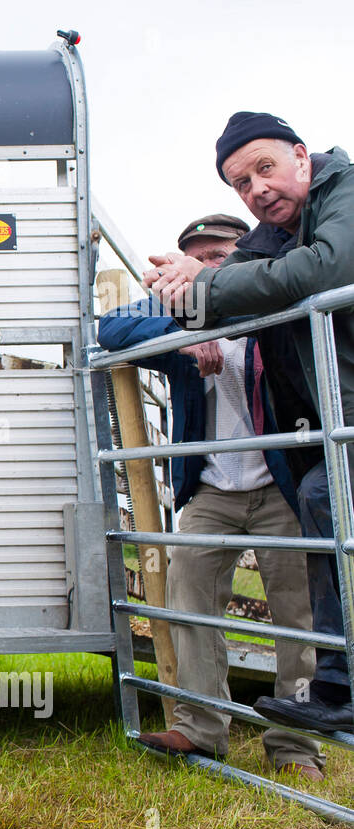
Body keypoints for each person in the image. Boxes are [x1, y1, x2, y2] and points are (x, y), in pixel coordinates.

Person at [145, 112, 354, 732]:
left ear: (301, 156)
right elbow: (148, 320)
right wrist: (181, 295)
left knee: (309, 549)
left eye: (266, 168)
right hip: (229, 480)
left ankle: (302, 733)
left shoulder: (343, 192)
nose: (258, 188)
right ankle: (220, 721)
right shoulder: (273, 237)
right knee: (319, 507)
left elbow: (323, 272)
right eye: (241, 182)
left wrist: (208, 285)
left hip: (280, 472)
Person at [99, 214, 323, 779]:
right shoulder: (183, 320)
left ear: (243, 258)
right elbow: (113, 329)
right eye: (195, 258)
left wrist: (220, 315)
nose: (207, 267)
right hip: (211, 490)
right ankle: (201, 730)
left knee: (297, 620)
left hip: (282, 488)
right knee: (189, 602)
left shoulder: (274, 307)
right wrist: (188, 330)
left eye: (219, 256)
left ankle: (295, 747)